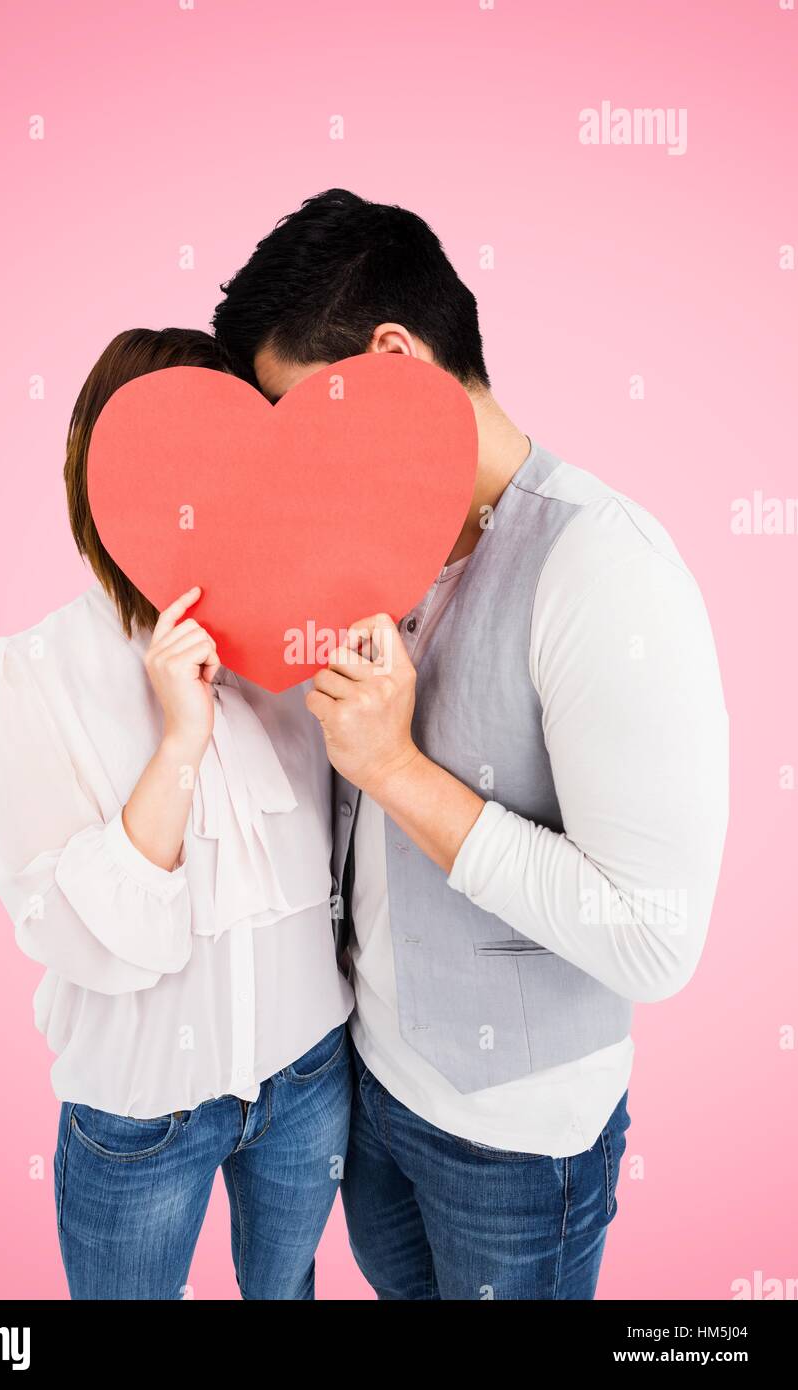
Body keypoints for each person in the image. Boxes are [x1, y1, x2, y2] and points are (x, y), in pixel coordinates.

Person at [213, 190, 730, 1300]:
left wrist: (396, 770)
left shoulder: (605, 568)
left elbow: (654, 940)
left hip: (515, 1144)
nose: (293, 465)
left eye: (297, 416)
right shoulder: (371, 549)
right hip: (373, 1097)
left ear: (392, 359)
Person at [0, 327, 354, 1301]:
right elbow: (83, 933)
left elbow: (349, 861)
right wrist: (179, 738)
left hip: (308, 1078)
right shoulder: (31, 672)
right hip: (138, 1112)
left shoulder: (297, 643)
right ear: (101, 474)